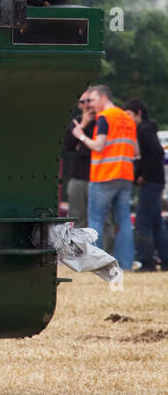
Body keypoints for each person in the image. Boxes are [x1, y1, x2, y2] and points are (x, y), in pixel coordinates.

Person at [73, 85, 139, 269]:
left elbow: (99, 145)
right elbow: (136, 150)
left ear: (103, 98)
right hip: (125, 175)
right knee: (124, 221)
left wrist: (81, 137)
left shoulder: (105, 117)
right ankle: (125, 264)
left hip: (104, 175)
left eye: (93, 100)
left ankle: (96, 265)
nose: (91, 105)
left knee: (96, 220)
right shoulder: (127, 118)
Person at [125, 98, 168, 271]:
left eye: (129, 114)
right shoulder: (148, 129)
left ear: (138, 113)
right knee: (156, 222)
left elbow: (156, 152)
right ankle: (165, 259)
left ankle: (146, 261)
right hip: (156, 181)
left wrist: (143, 175)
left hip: (150, 181)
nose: (127, 118)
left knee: (143, 222)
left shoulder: (143, 130)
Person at [62, 93, 113, 236]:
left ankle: (106, 255)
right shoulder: (77, 122)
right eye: (82, 102)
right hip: (79, 176)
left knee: (104, 220)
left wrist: (83, 141)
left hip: (100, 176)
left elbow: (100, 147)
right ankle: (80, 255)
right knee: (78, 219)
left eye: (89, 101)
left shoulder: (102, 121)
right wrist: (83, 125)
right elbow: (69, 146)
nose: (86, 105)